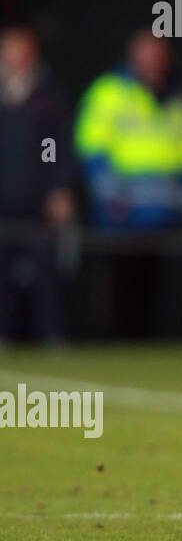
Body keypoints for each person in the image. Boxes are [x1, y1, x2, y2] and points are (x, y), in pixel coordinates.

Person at [75, 29, 182, 338]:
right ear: (133, 55)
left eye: (159, 54)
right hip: (122, 211)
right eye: (147, 53)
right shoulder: (108, 92)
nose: (153, 60)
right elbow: (92, 147)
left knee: (161, 289)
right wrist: (111, 196)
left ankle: (154, 344)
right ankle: (113, 343)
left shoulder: (178, 98)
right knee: (120, 284)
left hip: (166, 213)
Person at [0, 23, 76, 344]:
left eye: (21, 47)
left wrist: (60, 188)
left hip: (37, 196)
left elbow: (62, 145)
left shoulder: (51, 95)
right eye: (9, 47)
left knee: (46, 269)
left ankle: (51, 333)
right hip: (3, 197)